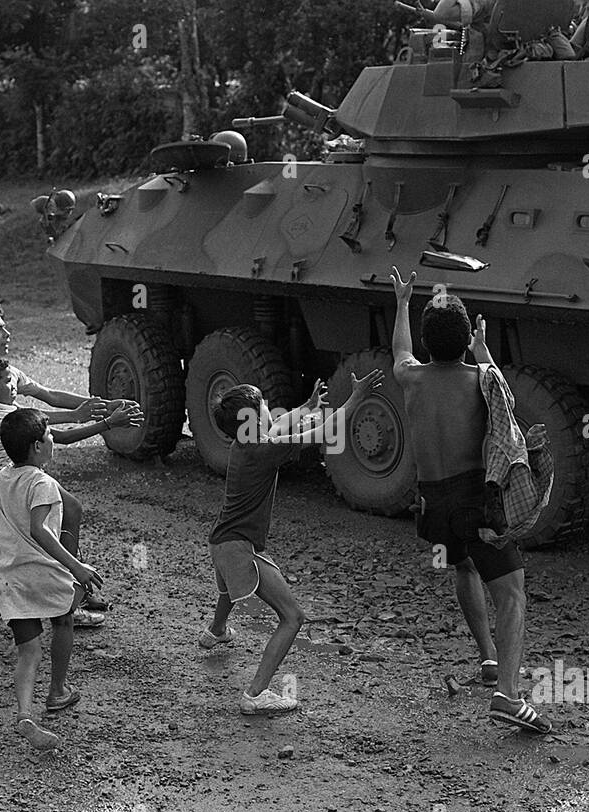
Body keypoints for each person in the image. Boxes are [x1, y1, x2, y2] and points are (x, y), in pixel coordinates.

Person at [389, 266, 551, 733]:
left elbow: (401, 349)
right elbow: (506, 406)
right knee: (514, 592)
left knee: (463, 565)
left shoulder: (411, 377)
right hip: (473, 502)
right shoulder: (480, 377)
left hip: (430, 506)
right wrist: (483, 350)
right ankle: (509, 694)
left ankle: (487, 659)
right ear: (465, 341)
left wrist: (402, 302)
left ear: (427, 342)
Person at [0, 352, 140, 674]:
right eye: (8, 382)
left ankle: (59, 589)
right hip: (7, 501)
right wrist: (108, 423)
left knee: (67, 513)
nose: (14, 384)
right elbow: (61, 435)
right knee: (22, 575)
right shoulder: (11, 414)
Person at [203, 369, 383, 714]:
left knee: (229, 589)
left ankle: (216, 632)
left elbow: (279, 426)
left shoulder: (247, 443)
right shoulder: (263, 449)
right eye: (265, 405)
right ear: (252, 419)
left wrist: (307, 406)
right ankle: (256, 695)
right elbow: (326, 431)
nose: (271, 407)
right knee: (292, 616)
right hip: (238, 547)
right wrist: (357, 396)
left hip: (222, 542)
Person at [0, 299, 124, 613]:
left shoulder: (7, 372)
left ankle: (71, 589)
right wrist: (82, 416)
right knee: (24, 541)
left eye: (5, 327)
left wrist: (100, 404)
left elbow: (49, 395)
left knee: (66, 512)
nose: (7, 334)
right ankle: (61, 600)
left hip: (22, 465)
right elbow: (20, 418)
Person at [0, 409, 106, 750]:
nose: (54, 440)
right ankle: (57, 691)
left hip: (12, 575)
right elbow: (39, 530)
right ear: (38, 446)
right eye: (51, 436)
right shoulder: (43, 484)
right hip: (46, 572)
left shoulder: (1, 479)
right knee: (64, 620)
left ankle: (25, 713)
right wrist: (77, 567)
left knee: (28, 651)